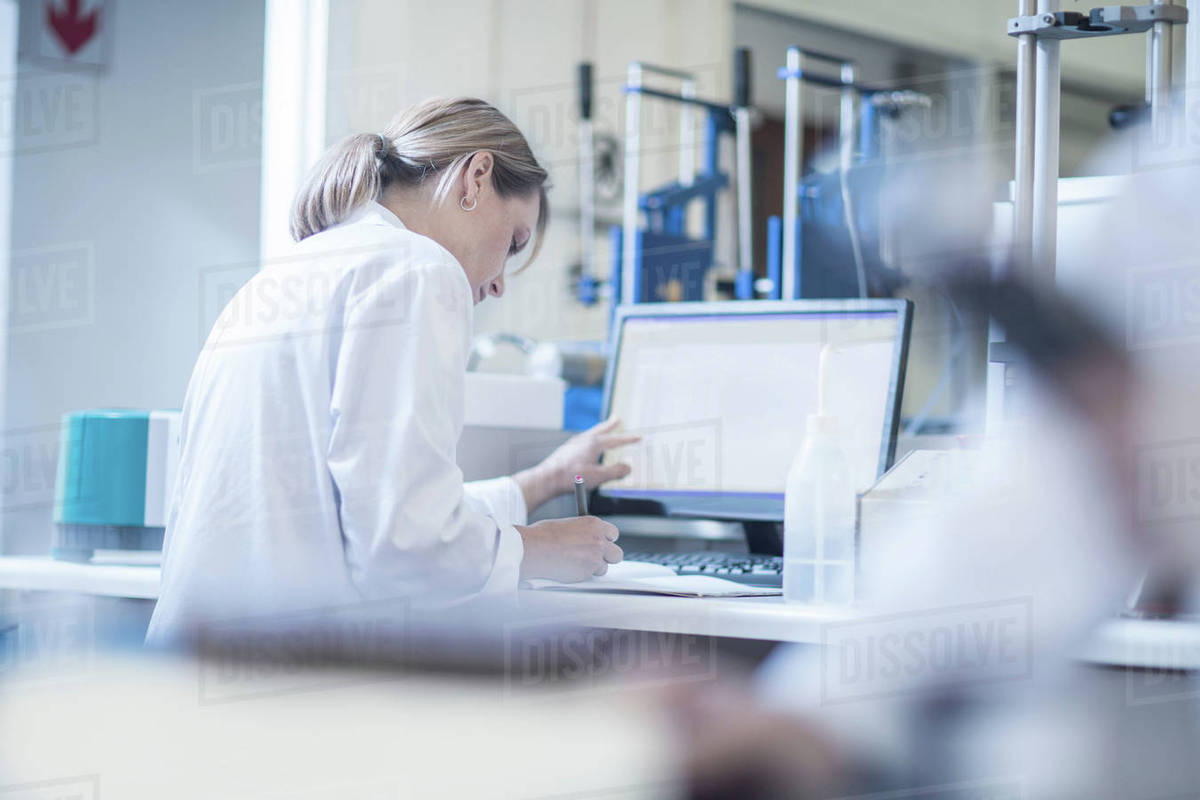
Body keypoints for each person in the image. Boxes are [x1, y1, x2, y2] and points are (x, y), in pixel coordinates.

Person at [147, 98, 632, 646]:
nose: (499, 283)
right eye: (514, 242)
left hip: (194, 671)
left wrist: (539, 484)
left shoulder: (288, 274)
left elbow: (360, 511)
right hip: (286, 683)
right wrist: (535, 550)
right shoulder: (420, 270)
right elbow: (405, 547)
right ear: (475, 177)